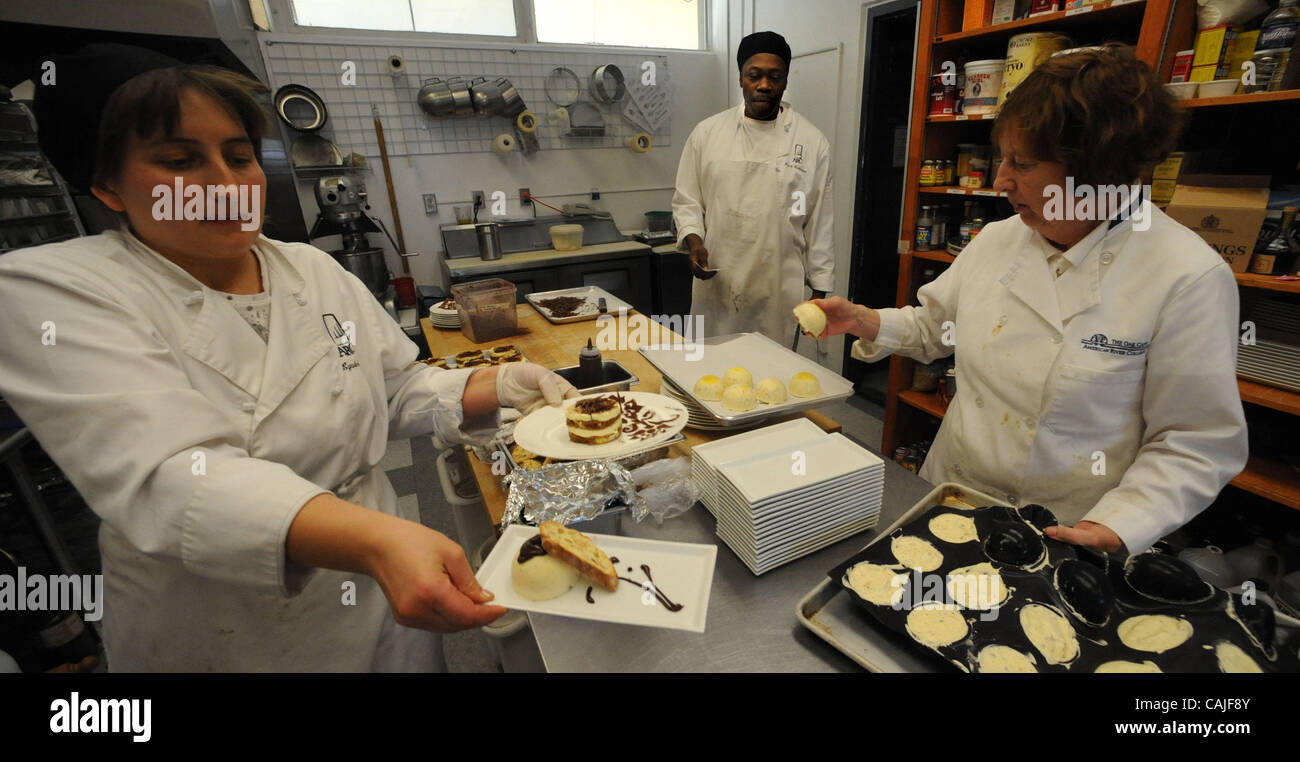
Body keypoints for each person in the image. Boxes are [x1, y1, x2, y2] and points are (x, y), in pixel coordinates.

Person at [0, 60, 578, 671]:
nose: (222, 183)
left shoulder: (313, 270)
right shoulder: (55, 290)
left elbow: (390, 390)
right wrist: (376, 541)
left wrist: (495, 383)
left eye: (239, 156)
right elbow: (173, 476)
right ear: (109, 186)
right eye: (179, 161)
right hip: (223, 618)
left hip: (379, 602)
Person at [809, 46, 1247, 555]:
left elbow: (1194, 441)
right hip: (949, 497)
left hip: (1066, 534)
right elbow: (936, 328)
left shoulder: (1186, 276)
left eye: (1023, 163)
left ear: (1097, 172)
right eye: (1003, 158)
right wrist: (863, 320)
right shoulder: (1000, 238)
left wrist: (1123, 524)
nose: (1001, 180)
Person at [672, 31, 835, 347]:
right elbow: (687, 200)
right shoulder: (707, 134)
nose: (764, 85)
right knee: (710, 377)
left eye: (775, 76)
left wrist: (819, 295)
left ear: (785, 82)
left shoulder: (811, 143)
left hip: (777, 291)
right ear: (741, 79)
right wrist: (694, 242)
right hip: (719, 283)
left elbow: (820, 224)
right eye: (754, 75)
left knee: (772, 382)